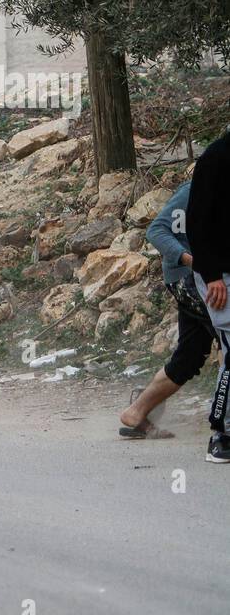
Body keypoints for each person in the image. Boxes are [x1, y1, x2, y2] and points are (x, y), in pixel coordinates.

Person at [117, 180, 215, 439]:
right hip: (189, 279)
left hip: (206, 280)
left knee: (190, 355)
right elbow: (157, 230)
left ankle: (137, 411)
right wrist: (191, 260)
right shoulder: (194, 190)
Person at [186, 128, 230, 463]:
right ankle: (221, 433)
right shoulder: (216, 158)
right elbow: (197, 223)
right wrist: (212, 275)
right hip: (220, 278)